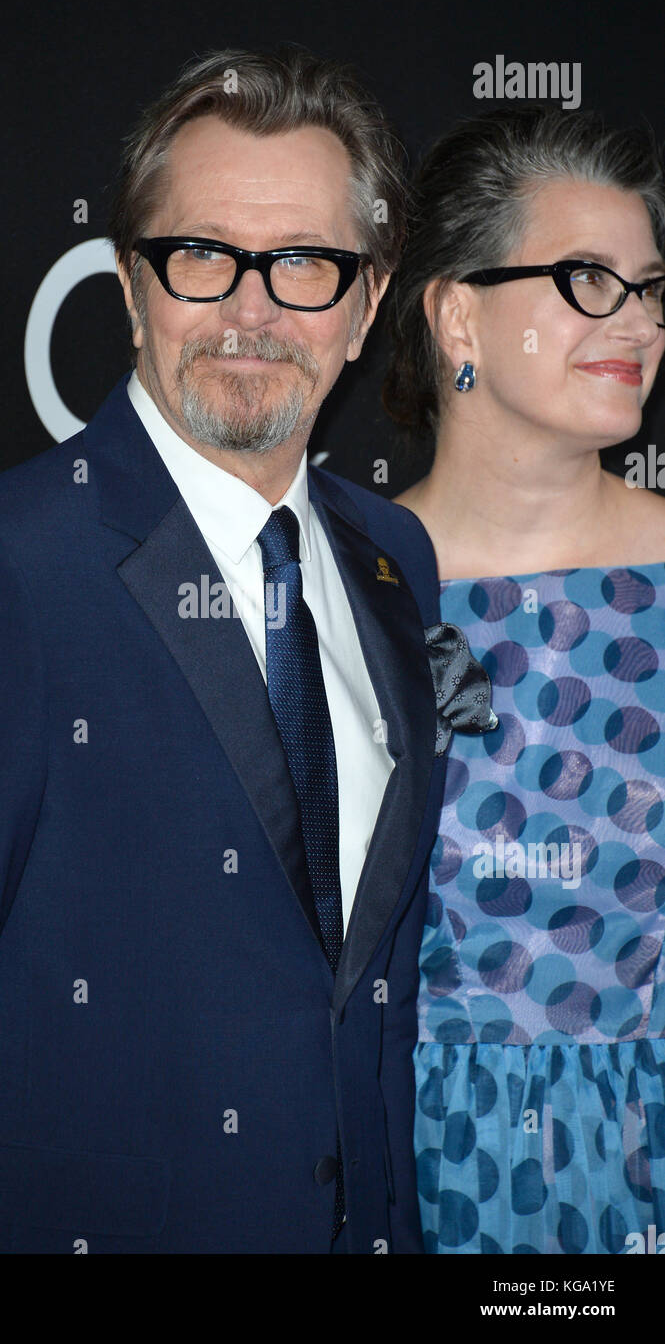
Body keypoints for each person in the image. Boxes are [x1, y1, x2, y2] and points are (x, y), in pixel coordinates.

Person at [0, 46, 460, 1254]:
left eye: (305, 265)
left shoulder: (390, 559)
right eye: (202, 255)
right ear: (128, 285)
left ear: (369, 302)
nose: (252, 309)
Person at [385, 103, 665, 1254]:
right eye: (586, 280)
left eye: (648, 286)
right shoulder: (340, 597)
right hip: (418, 1164)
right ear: (457, 310)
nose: (636, 321)